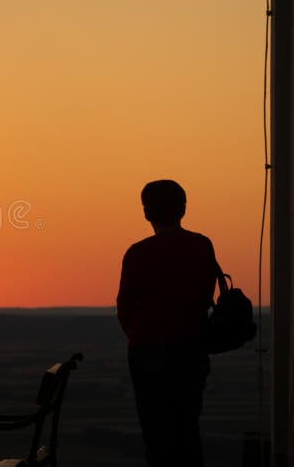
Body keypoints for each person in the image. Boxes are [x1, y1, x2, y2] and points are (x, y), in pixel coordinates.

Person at [117, 180, 217, 467]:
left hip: (147, 351)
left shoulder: (138, 253)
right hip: (191, 349)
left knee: (155, 431)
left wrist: (140, 335)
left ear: (147, 213)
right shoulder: (201, 245)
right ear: (183, 208)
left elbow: (124, 307)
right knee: (187, 428)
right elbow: (204, 294)